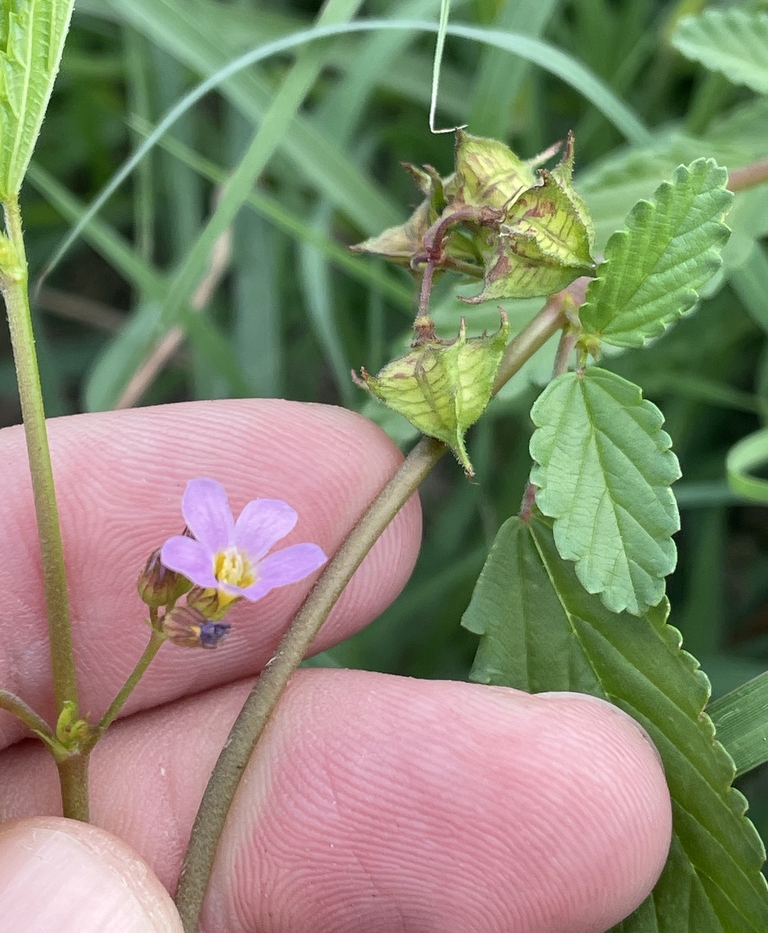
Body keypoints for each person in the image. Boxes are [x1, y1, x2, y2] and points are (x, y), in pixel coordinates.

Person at [0, 400, 671, 933]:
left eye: (233, 575)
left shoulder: (210, 593)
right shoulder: (187, 590)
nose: (228, 579)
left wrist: (204, 609)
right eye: (224, 574)